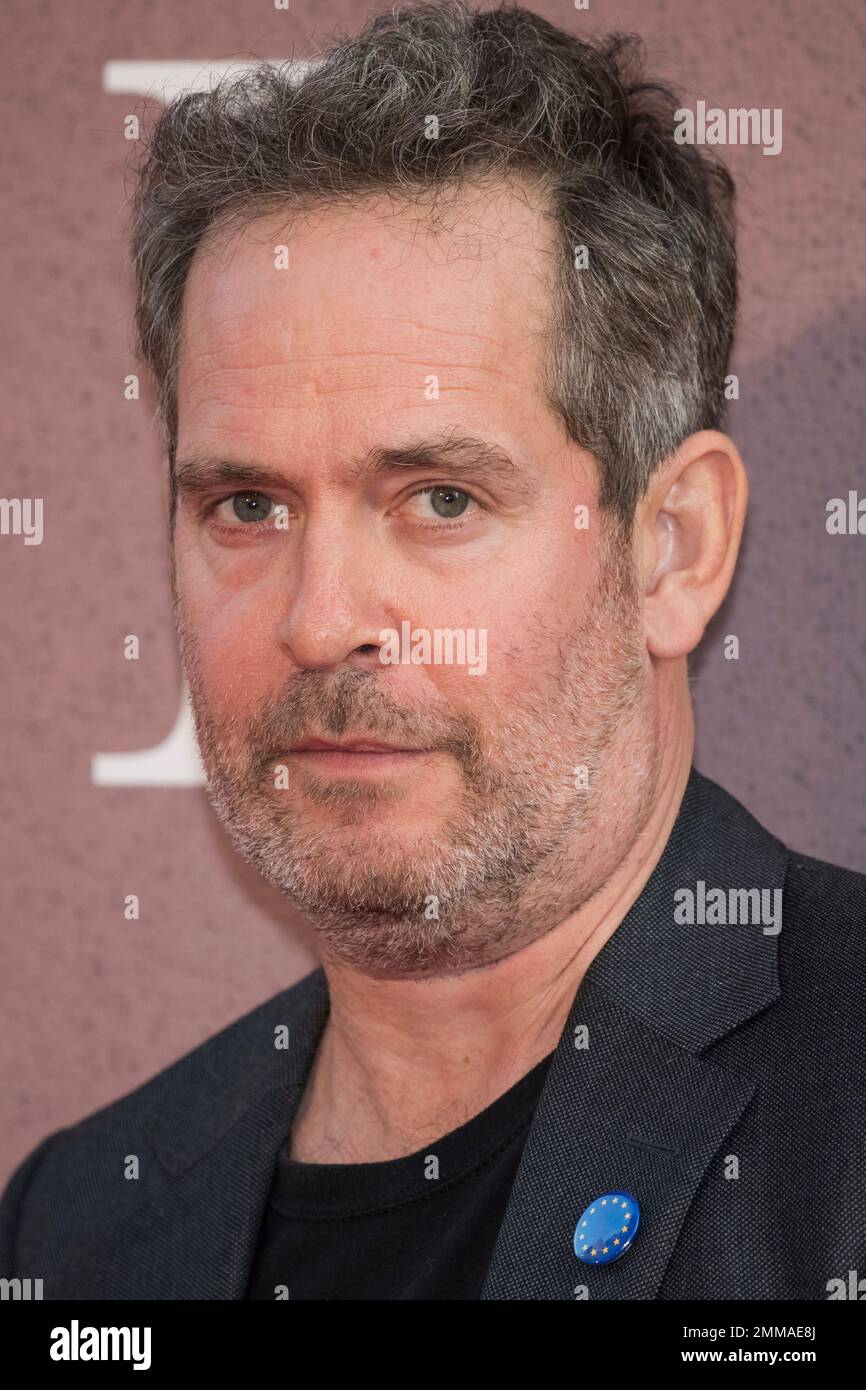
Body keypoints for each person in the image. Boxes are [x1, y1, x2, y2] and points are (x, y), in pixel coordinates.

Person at [2, 0, 863, 1301]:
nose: (317, 616)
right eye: (247, 506)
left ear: (673, 545)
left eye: (438, 498)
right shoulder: (75, 1224)